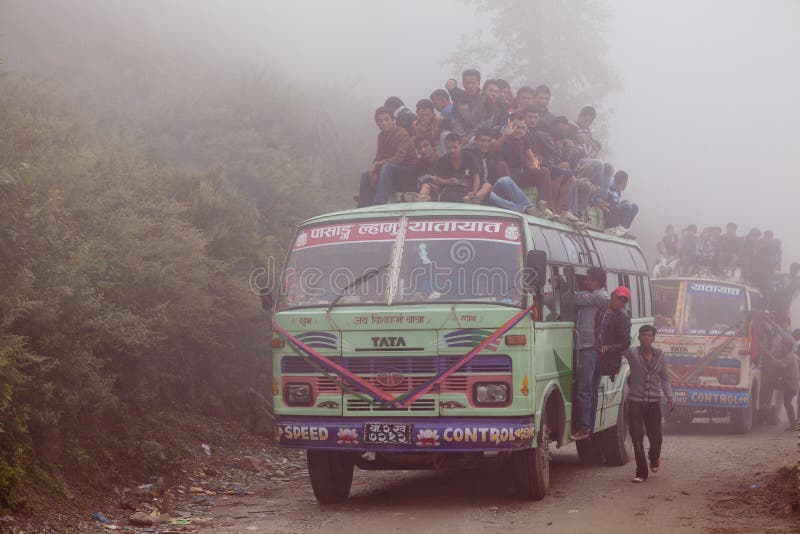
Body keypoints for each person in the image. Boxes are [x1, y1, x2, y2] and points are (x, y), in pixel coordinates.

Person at [624, 325, 673, 482]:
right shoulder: (632, 353)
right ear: (638, 338)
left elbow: (665, 378)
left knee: (656, 437)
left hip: (653, 403)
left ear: (653, 338)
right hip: (635, 402)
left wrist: (669, 397)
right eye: (643, 335)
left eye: (649, 335)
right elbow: (617, 350)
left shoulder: (661, 356)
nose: (646, 337)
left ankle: (654, 457)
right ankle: (641, 472)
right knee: (636, 437)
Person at [570, 267, 610, 441]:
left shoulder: (601, 297)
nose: (586, 282)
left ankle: (584, 427)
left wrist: (565, 287)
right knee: (590, 390)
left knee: (584, 390)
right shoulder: (592, 297)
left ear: (597, 282)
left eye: (588, 279)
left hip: (590, 348)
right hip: (585, 347)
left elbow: (574, 298)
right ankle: (588, 427)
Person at [357, 107, 417, 207]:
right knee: (365, 173)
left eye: (386, 119)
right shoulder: (381, 136)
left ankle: (380, 202)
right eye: (380, 121)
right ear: (377, 123)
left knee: (387, 167)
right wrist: (373, 169)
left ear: (393, 120)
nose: (383, 123)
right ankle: (363, 206)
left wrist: (377, 165)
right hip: (391, 170)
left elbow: (399, 159)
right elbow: (378, 156)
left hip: (408, 171)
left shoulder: (402, 134)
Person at [496, 111, 554, 214]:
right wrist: (505, 136)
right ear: (509, 125)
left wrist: (536, 166)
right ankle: (521, 205)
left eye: (523, 128)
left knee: (544, 171)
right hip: (502, 178)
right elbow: (492, 150)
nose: (520, 131)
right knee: (502, 165)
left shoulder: (523, 139)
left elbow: (532, 157)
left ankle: (543, 205)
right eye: (517, 127)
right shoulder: (498, 134)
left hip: (518, 176)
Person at [435, 132, 491, 203]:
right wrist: (447, 181)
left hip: (469, 190)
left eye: (455, 147)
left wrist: (474, 192)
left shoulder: (469, 157)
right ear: (445, 148)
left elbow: (476, 177)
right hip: (450, 189)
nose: (452, 150)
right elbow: (437, 179)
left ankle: (473, 199)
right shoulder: (443, 160)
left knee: (487, 185)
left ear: (460, 145)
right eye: (449, 148)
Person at [452, 68, 494, 143]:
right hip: (461, 135)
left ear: (478, 83)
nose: (470, 86)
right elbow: (456, 120)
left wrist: (470, 136)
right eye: (467, 83)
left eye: (473, 83)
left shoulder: (487, 100)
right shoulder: (458, 100)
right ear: (463, 84)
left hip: (480, 135)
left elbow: (486, 122)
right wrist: (462, 136)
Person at [403, 135, 439, 202]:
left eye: (426, 146)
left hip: (440, 197)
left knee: (426, 186)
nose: (423, 150)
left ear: (433, 146)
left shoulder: (443, 162)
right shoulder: (418, 165)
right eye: (420, 148)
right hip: (423, 196)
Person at [604, 171, 639, 235]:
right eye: (627, 182)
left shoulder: (618, 190)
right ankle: (615, 229)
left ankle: (625, 229)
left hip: (614, 213)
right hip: (609, 217)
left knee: (635, 206)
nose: (627, 184)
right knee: (627, 205)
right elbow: (612, 206)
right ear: (623, 182)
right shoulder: (610, 188)